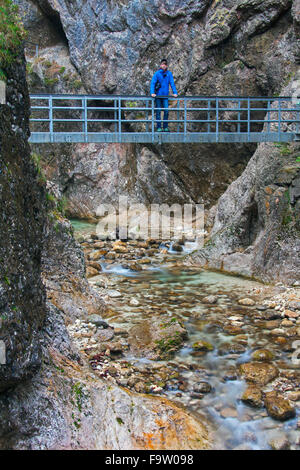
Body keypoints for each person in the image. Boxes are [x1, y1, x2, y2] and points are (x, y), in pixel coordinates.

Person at [150, 59, 178, 132]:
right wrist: (152, 92)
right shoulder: (157, 74)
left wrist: (175, 92)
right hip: (158, 96)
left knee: (166, 111)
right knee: (158, 111)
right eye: (162, 64)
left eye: (165, 64)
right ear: (160, 65)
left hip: (165, 96)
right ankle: (159, 127)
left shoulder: (169, 74)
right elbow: (153, 83)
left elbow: (172, 83)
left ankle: (165, 127)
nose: (164, 65)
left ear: (167, 65)